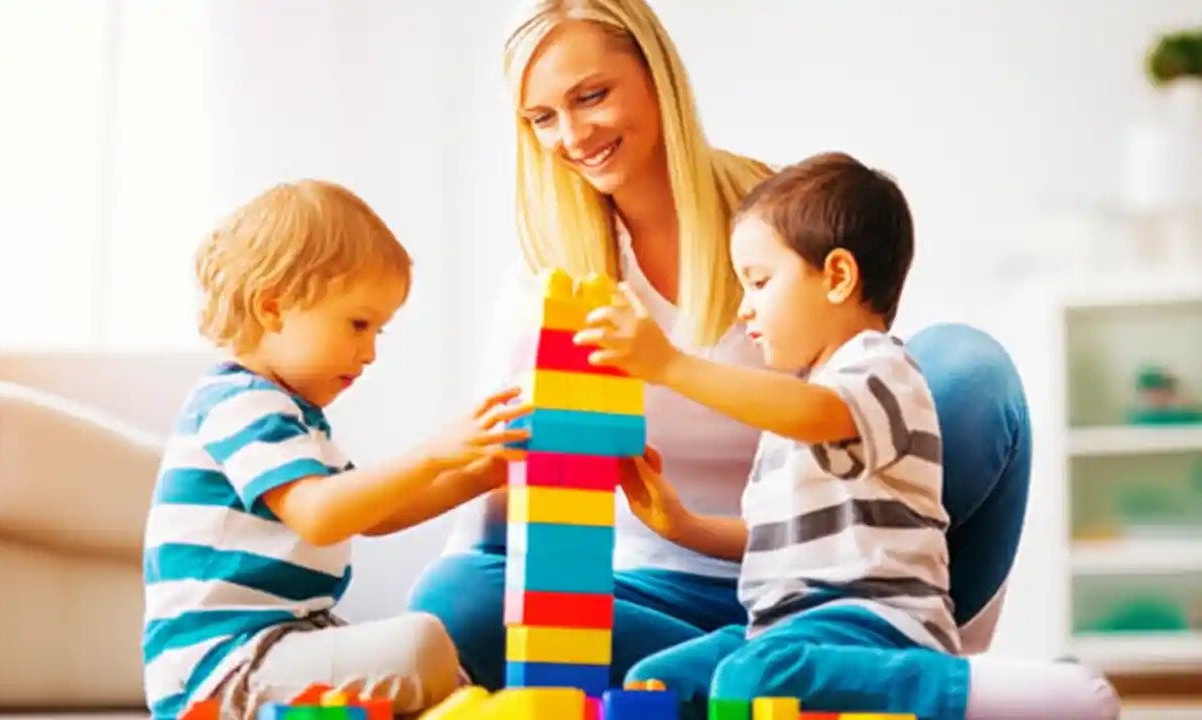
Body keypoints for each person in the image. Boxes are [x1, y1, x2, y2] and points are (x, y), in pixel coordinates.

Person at [406, 1, 1118, 717]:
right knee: (455, 599)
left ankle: (900, 656)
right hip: (665, 592)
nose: (573, 134)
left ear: (657, 75)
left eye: (592, 95)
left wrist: (667, 363)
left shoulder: (774, 219)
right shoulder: (545, 278)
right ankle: (804, 677)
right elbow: (501, 486)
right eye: (542, 117)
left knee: (964, 369)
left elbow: (858, 401)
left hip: (832, 581)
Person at [578, 150, 975, 718]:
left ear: (837, 276)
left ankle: (963, 692)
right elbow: (778, 538)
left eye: (759, 282)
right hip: (784, 627)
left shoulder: (880, 369)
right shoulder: (806, 397)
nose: (744, 308)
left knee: (752, 675)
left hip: (875, 622)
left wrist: (669, 365)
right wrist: (683, 526)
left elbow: (818, 413)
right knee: (654, 681)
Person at [142, 179, 529, 720]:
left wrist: (479, 474)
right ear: (273, 308)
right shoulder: (238, 403)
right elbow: (321, 516)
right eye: (358, 324)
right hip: (224, 671)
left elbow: (375, 514)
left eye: (378, 332)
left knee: (430, 661)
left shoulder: (296, 417)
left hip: (272, 649)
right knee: (422, 647)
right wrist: (438, 451)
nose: (369, 351)